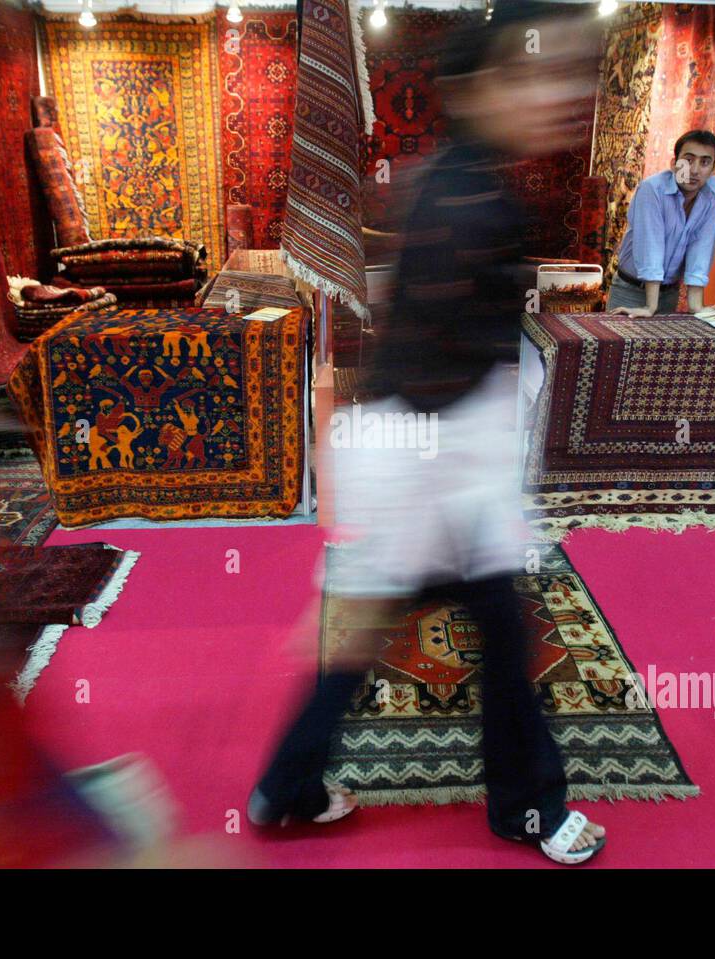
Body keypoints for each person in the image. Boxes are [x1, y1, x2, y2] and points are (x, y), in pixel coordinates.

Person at [247, 1, 607, 865]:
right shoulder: (472, 202)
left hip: (423, 457)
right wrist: (469, 510)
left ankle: (286, 787)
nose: (556, 93)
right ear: (474, 89)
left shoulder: (464, 179)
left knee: (380, 633)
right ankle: (525, 807)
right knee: (501, 633)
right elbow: (429, 373)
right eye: (531, 73)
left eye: (566, 72)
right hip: (436, 464)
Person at [609, 130, 715, 316]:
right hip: (630, 289)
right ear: (673, 164)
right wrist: (650, 307)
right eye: (688, 160)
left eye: (704, 162)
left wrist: (696, 306)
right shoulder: (652, 189)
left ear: (713, 169)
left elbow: (702, 245)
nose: (694, 170)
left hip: (669, 292)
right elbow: (651, 246)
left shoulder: (714, 192)